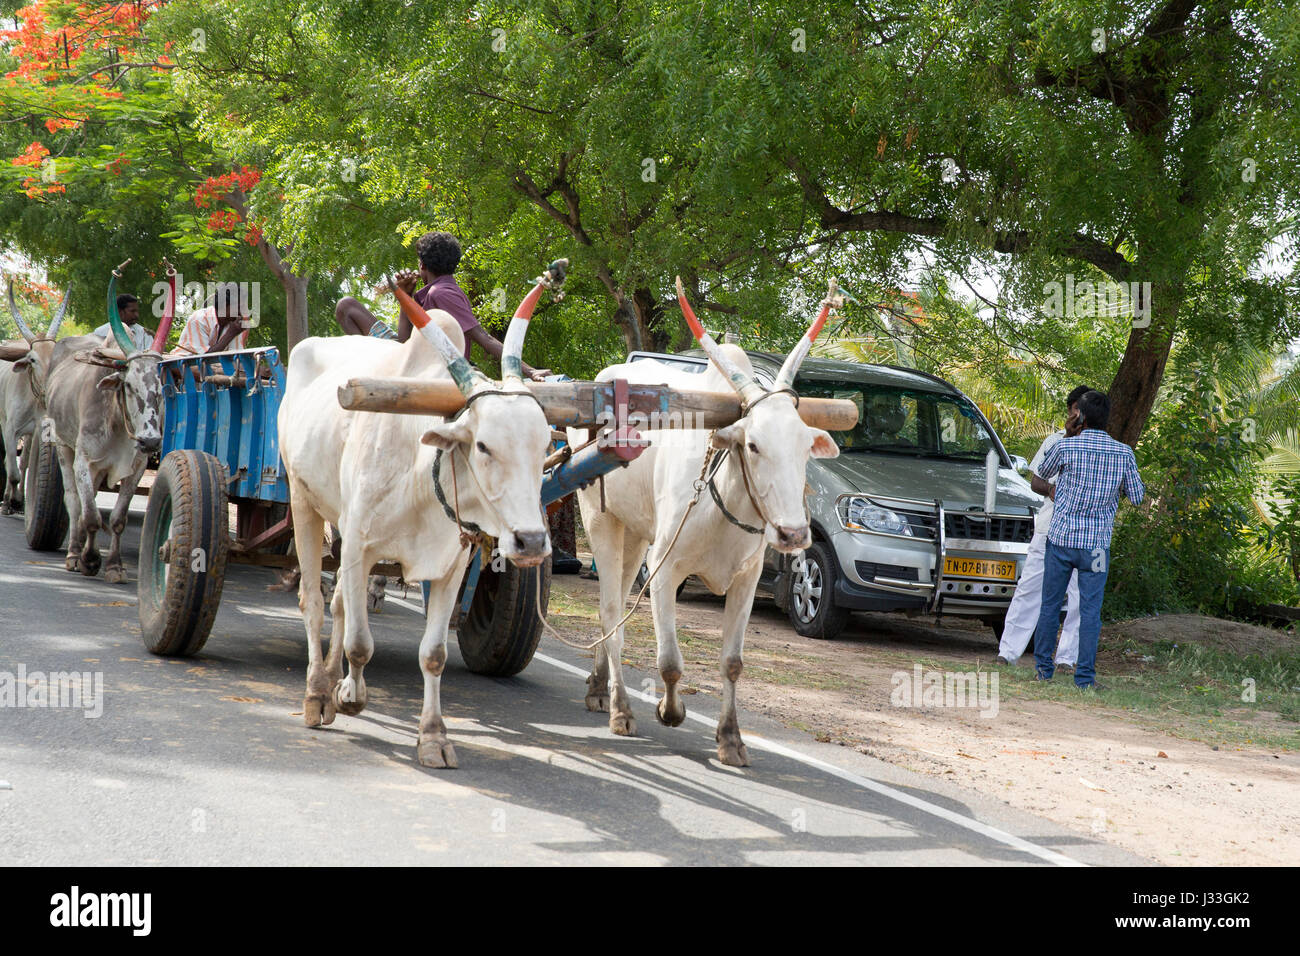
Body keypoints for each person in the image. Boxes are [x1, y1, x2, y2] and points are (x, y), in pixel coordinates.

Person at [1028, 390, 1144, 690]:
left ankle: (1043, 671)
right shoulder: (1124, 454)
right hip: (1096, 546)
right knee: (1091, 612)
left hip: (1062, 539)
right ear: (1108, 419)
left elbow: (1043, 473)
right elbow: (1137, 496)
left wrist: (1068, 436)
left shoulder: (1068, 448)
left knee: (1050, 606)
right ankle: (1084, 679)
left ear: (1080, 415)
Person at [335, 230, 550, 381]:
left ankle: (369, 372)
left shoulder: (442, 293)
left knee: (346, 306)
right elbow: (404, 340)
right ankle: (370, 369)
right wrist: (406, 297)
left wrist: (529, 371)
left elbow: (483, 337)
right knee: (347, 306)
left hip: (428, 369)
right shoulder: (438, 291)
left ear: (422, 265)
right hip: (410, 356)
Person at [996, 386, 1092, 668]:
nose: (1080, 415)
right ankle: (1008, 652)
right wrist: (1052, 490)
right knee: (1029, 589)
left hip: (1084, 534)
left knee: (1077, 598)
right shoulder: (1055, 441)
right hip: (1049, 527)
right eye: (1077, 409)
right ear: (1071, 410)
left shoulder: (1100, 445)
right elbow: (1036, 482)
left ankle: (1066, 659)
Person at [173, 284, 250, 355]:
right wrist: (231, 334)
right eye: (239, 307)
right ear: (223, 305)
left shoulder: (233, 325)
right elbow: (204, 359)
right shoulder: (199, 319)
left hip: (214, 368)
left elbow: (234, 357)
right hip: (180, 366)